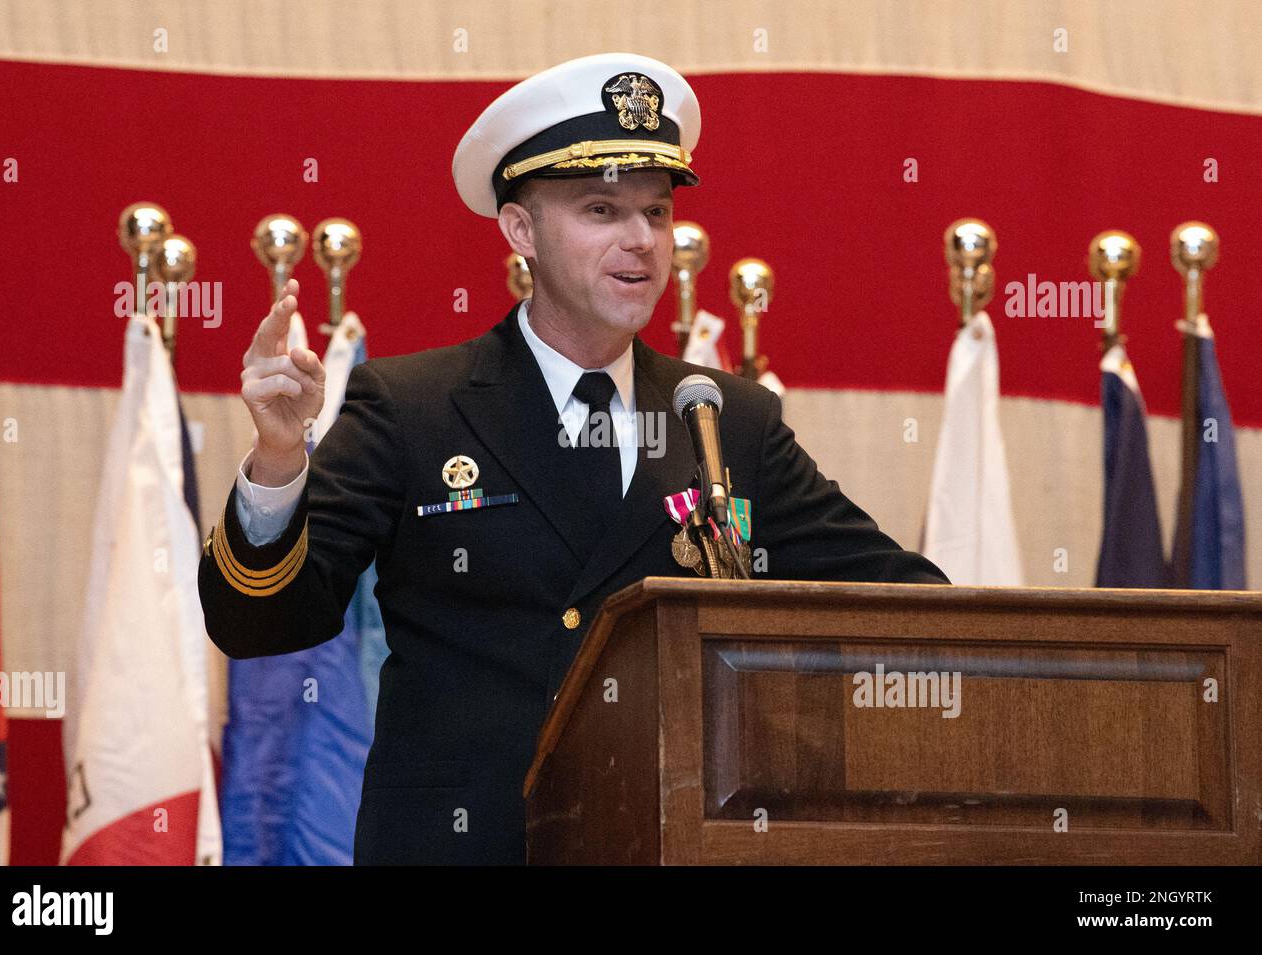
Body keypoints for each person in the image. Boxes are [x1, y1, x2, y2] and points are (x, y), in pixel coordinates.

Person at [197, 52, 949, 865]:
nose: (640, 242)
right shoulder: (412, 406)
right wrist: (277, 459)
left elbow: (908, 606)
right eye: (601, 209)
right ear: (520, 230)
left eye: (656, 214)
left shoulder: (727, 423)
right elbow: (260, 620)